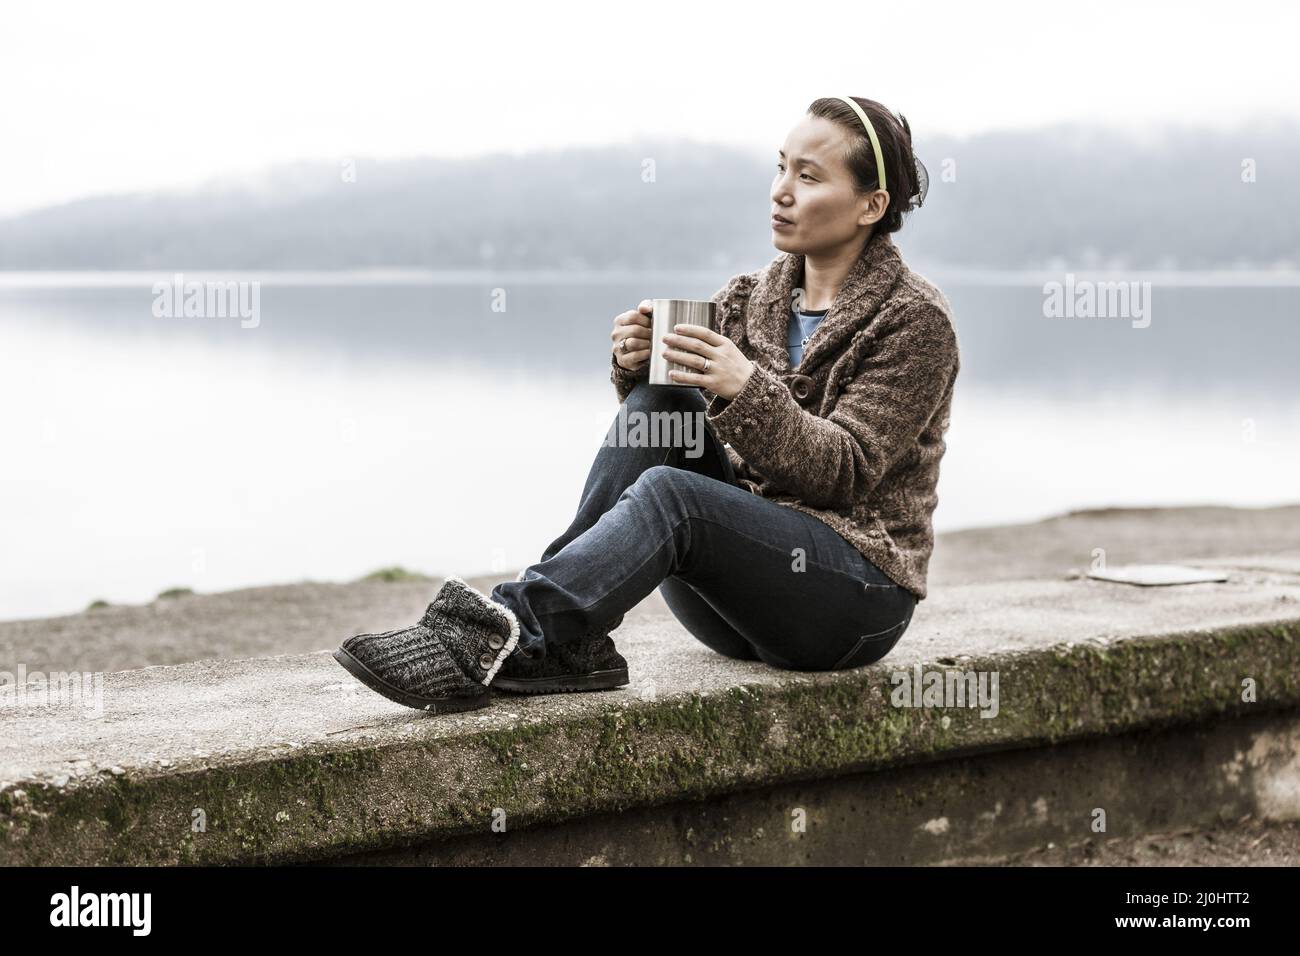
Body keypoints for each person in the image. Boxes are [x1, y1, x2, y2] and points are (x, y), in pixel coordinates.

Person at [333, 95, 960, 713]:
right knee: (663, 400)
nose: (781, 190)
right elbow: (666, 428)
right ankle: (565, 640)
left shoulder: (913, 320)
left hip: (848, 606)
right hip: (733, 609)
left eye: (809, 175)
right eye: (780, 166)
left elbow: (845, 472)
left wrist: (745, 389)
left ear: (870, 205)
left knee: (672, 495)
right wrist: (634, 368)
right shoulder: (747, 299)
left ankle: (495, 635)